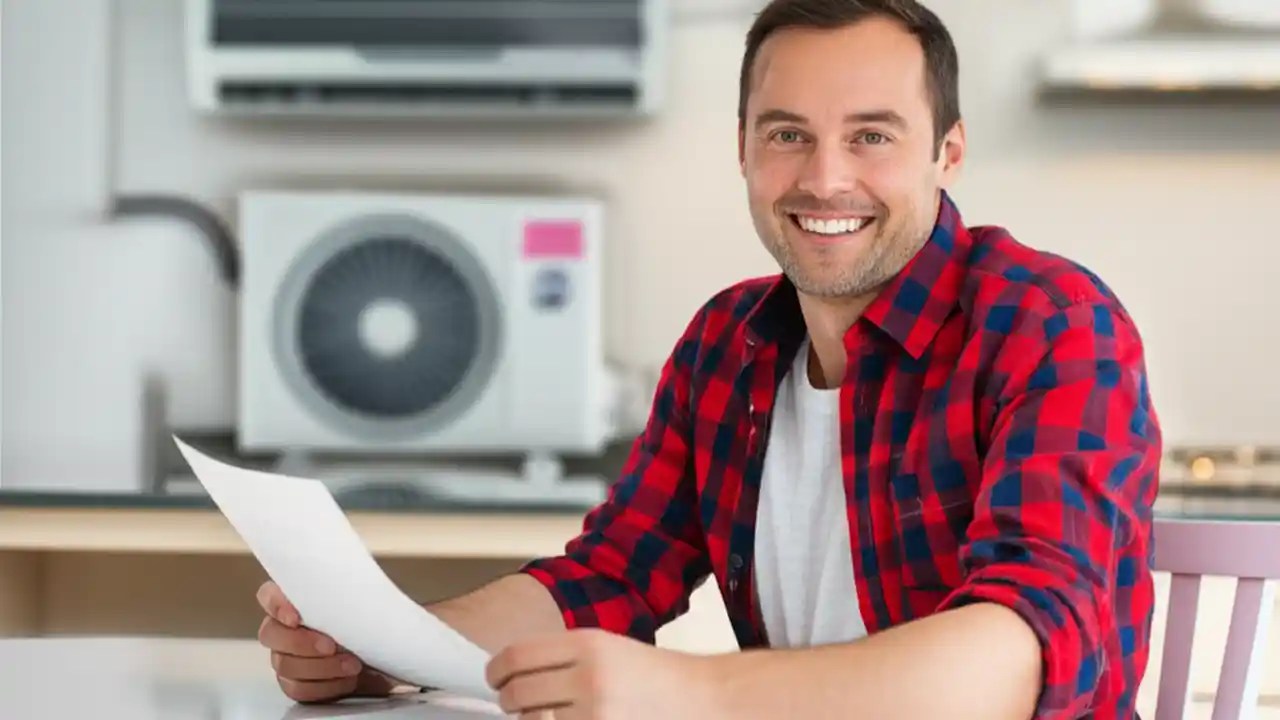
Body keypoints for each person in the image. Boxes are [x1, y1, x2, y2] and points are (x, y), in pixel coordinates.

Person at [255, 1, 1162, 718]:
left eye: (872, 136)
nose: (825, 178)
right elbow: (604, 580)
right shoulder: (726, 346)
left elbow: (1022, 658)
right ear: (742, 150)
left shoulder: (1049, 325)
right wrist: (389, 652)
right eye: (787, 133)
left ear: (947, 154)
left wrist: (694, 694)